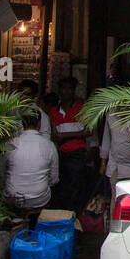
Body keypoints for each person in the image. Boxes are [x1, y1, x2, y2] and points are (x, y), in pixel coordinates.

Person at [2, 108, 59, 218]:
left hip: (13, 197)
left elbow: (1, 173)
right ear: (39, 124)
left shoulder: (11, 144)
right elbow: (54, 179)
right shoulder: (49, 145)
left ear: (22, 124)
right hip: (39, 198)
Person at [48, 77, 88, 211]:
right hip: (61, 154)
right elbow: (55, 136)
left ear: (74, 91)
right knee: (61, 188)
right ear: (59, 90)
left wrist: (64, 136)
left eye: (69, 88)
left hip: (77, 154)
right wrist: (75, 134)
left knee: (75, 188)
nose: (66, 91)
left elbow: (89, 131)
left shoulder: (81, 108)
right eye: (64, 88)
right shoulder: (54, 111)